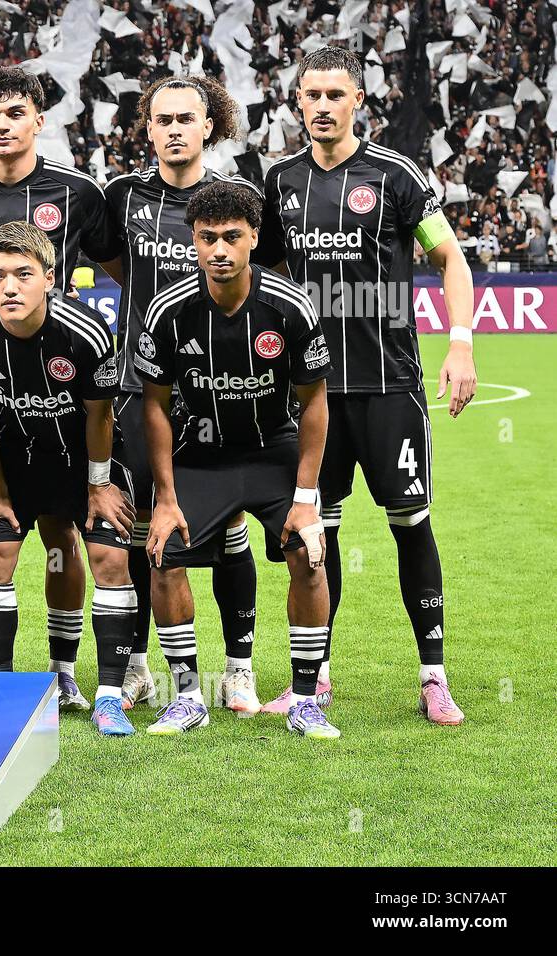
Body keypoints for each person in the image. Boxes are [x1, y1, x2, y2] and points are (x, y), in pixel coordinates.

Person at [255, 46, 476, 724]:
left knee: (411, 523)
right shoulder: (280, 183)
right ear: (298, 102)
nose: (322, 106)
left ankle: (433, 676)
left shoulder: (396, 175)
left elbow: (450, 261)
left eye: (334, 95)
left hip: (390, 386)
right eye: (311, 95)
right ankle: (314, 675)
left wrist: (460, 344)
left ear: (358, 102)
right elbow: (260, 277)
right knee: (314, 535)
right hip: (312, 394)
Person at [0, 65, 116, 706]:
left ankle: (63, 670)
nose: (3, 126)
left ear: (39, 120)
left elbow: (127, 267)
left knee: (63, 532)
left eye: (15, 114)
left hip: (56, 390)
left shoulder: (78, 193)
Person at [138, 182, 338, 739]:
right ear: (193, 241)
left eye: (232, 237)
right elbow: (154, 408)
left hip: (273, 450)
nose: (219, 250)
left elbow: (314, 403)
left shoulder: (289, 306)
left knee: (309, 552)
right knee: (163, 553)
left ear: (254, 238)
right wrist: (165, 498)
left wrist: (304, 500)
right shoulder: (169, 310)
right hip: (200, 455)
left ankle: (305, 700)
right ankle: (186, 697)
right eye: (207, 238)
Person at [100, 75, 264, 716]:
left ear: (209, 125)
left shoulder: (238, 199)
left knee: (226, 531)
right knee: (144, 528)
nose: (172, 129)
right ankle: (139, 669)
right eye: (161, 118)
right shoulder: (121, 197)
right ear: (148, 126)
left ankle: (239, 670)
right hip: (140, 387)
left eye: (185, 118)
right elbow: (118, 265)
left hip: (221, 391)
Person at [0, 221, 139, 736]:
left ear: (49, 278)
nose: (10, 287)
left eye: (23, 275)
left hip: (85, 463)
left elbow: (100, 416)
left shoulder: (88, 333)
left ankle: (100, 691)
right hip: (14, 466)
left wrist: (99, 484)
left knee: (107, 553)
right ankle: (5, 696)